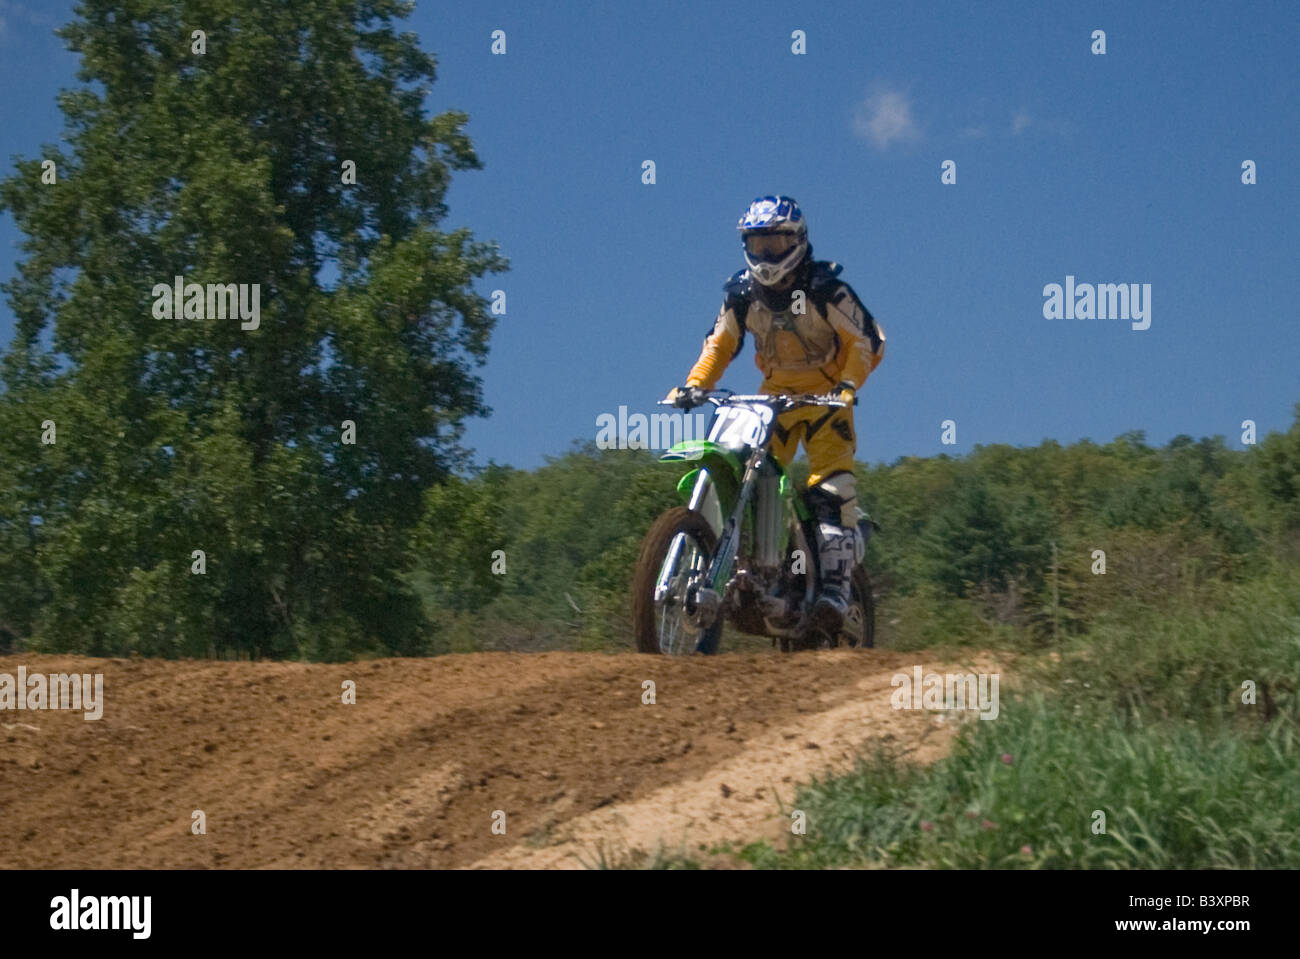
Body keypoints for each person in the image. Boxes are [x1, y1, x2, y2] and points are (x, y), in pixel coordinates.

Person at [665, 196, 885, 635]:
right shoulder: (742, 294)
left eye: (776, 244)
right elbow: (719, 345)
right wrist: (696, 384)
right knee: (743, 466)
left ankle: (835, 590)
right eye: (759, 245)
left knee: (830, 489)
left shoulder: (826, 289)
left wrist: (848, 384)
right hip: (772, 399)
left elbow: (867, 341)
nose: (767, 255)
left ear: (799, 242)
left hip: (826, 398)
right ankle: (752, 565)